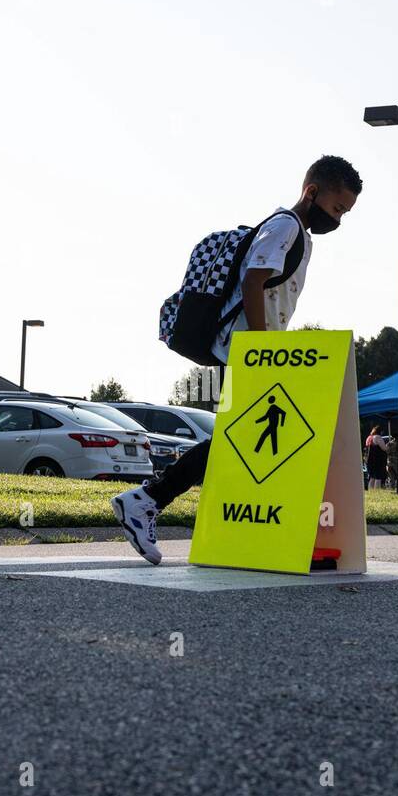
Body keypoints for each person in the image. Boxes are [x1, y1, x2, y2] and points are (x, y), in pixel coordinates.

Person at [112, 155, 363, 563]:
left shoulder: (298, 233)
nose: (337, 219)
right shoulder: (286, 226)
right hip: (251, 351)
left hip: (256, 351)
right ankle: (145, 500)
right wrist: (262, 348)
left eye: (345, 213)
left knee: (242, 442)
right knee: (243, 442)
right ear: (312, 192)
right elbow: (253, 279)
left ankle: (161, 504)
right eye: (336, 209)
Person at [365, 425, 389, 490]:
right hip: (377, 460)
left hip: (369, 460)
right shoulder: (377, 437)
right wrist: (388, 445)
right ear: (380, 431)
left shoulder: (369, 437)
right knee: (378, 476)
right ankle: (377, 491)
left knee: (372, 476)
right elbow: (384, 448)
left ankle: (371, 491)